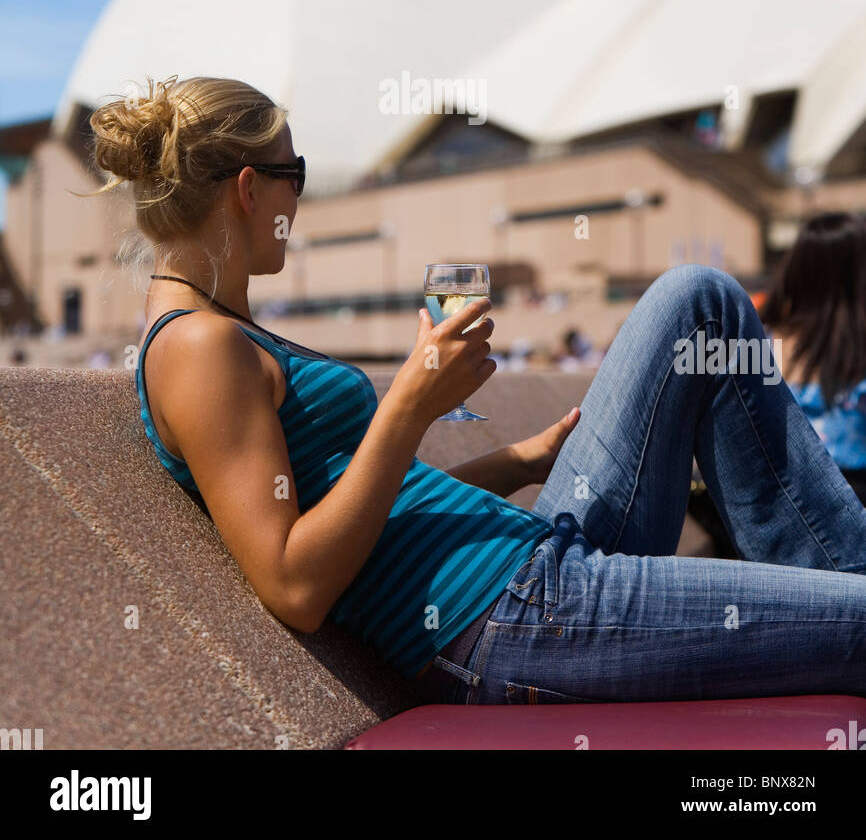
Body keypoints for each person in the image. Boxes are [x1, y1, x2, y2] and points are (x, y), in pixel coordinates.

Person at [82, 75, 866, 706]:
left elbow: (367, 512)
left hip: (538, 567)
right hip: (520, 617)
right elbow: (294, 583)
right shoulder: (198, 347)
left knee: (699, 300)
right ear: (249, 189)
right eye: (297, 176)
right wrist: (408, 406)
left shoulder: (222, 328)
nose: (299, 201)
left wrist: (514, 460)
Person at [758, 212, 866, 507]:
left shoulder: (763, 341)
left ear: (796, 268)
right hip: (855, 503)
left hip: (777, 502)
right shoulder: (857, 344)